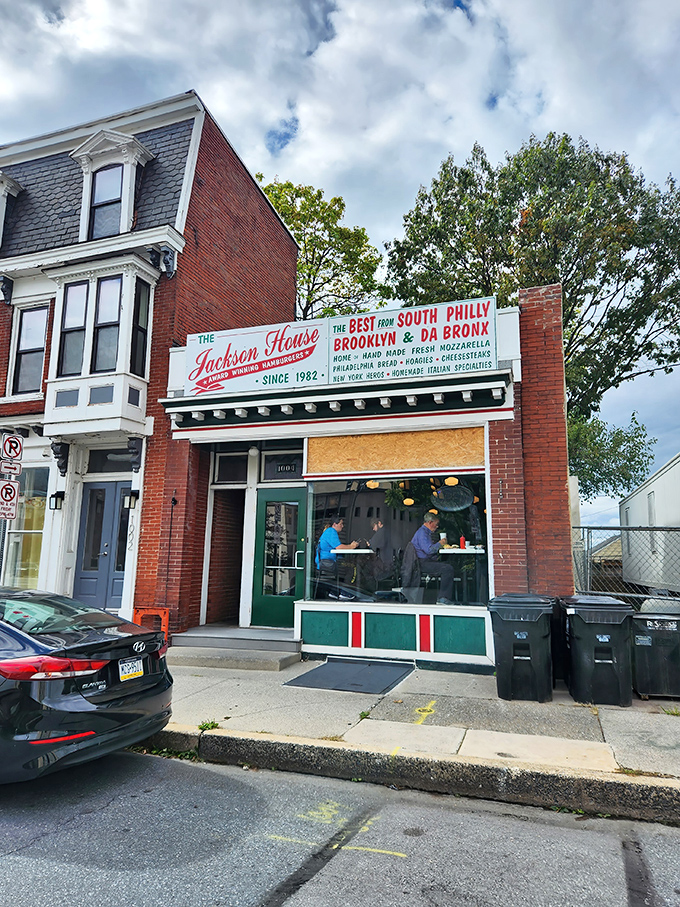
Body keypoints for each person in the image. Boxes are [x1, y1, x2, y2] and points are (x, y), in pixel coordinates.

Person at [410, 513, 455, 604]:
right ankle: (443, 598)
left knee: (447, 566)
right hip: (422, 563)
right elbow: (429, 550)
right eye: (436, 524)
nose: (437, 526)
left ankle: (444, 597)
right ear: (430, 522)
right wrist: (440, 543)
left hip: (424, 561)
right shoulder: (422, 533)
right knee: (447, 569)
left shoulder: (424, 532)